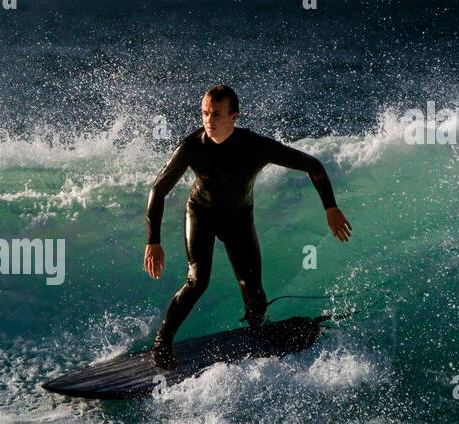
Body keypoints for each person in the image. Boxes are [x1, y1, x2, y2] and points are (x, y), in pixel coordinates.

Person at [143, 85, 352, 370]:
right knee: (197, 281)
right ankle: (162, 342)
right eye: (205, 113)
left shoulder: (255, 147)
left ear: (234, 117)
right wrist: (153, 241)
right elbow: (158, 190)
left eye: (216, 114)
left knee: (253, 288)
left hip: (238, 218)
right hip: (200, 213)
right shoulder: (192, 147)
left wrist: (330, 207)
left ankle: (257, 329)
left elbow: (312, 165)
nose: (208, 120)